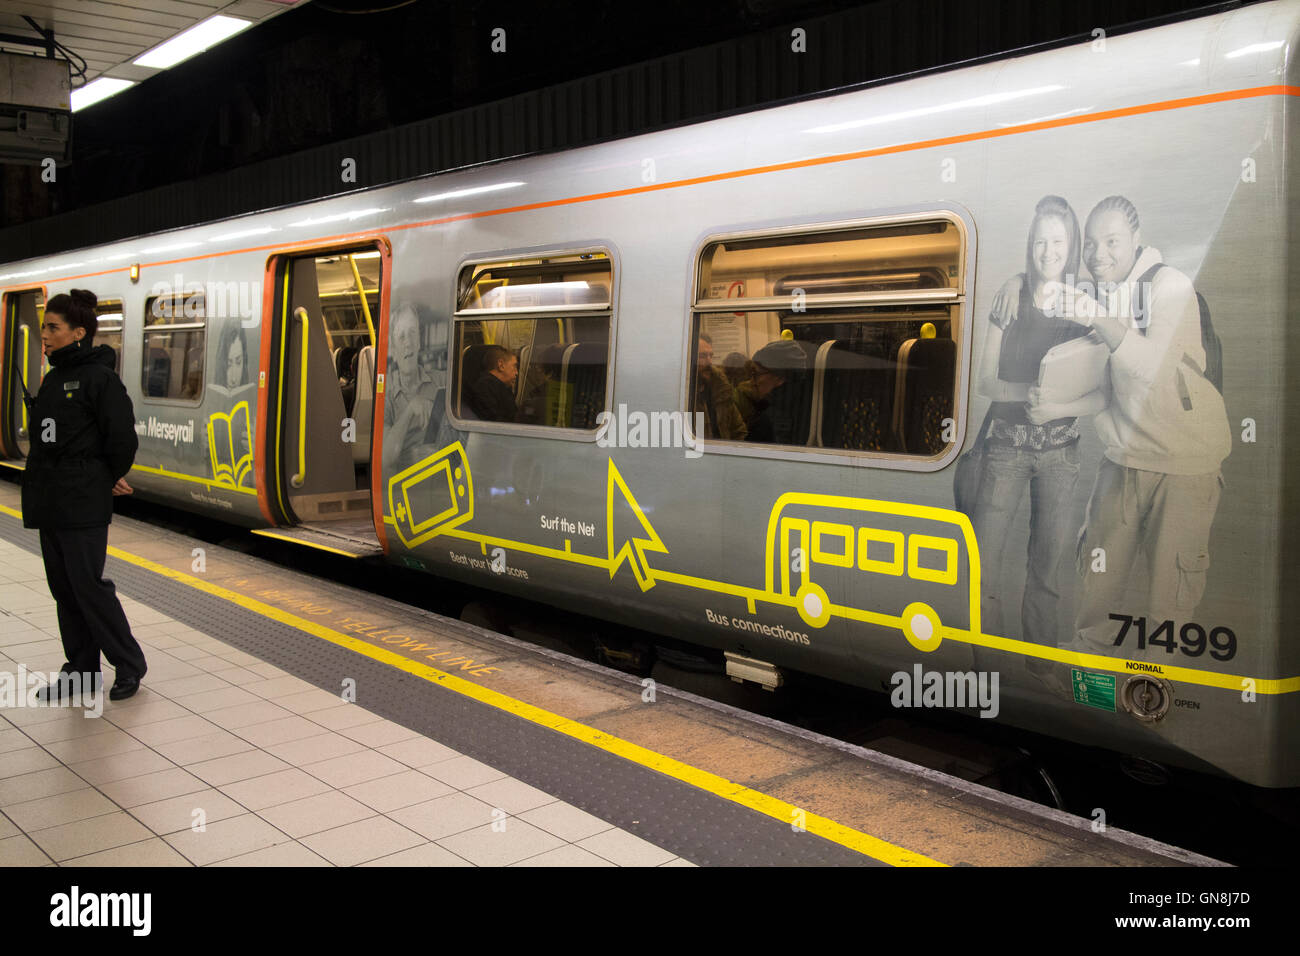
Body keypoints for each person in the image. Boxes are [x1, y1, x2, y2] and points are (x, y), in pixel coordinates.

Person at [1060, 196, 1230, 655]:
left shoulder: (1171, 285)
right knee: (1097, 580)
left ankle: (1157, 702)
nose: (1098, 255)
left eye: (1112, 241)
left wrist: (1095, 315)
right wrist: (1054, 402)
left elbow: (1149, 367)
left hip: (1184, 467)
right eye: (1091, 244)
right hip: (1124, 459)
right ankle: (1084, 681)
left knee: (1168, 601)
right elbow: (1106, 388)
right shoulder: (1102, 297)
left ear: (1137, 240)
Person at [971, 196, 1108, 665]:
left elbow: (1104, 392)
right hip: (1005, 450)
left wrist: (1056, 408)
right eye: (1039, 241)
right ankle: (990, 670)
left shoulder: (1086, 303)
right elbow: (984, 380)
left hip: (1062, 455)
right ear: (1028, 245)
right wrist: (1031, 396)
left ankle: (1040, 670)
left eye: (1057, 241)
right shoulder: (1010, 296)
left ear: (1070, 246)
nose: (1048, 250)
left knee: (1047, 572)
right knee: (984, 568)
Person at [22, 290, 146, 702]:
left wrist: (106, 475)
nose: (45, 334)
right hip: (52, 500)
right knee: (65, 590)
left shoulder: (100, 379)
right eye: (44, 326)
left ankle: (129, 665)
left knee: (88, 586)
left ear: (78, 332)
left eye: (53, 327)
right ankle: (80, 670)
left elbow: (122, 439)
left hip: (83, 503)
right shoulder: (54, 378)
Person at [382, 304, 439, 476]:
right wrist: (410, 410)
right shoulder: (385, 394)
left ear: (419, 342)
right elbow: (386, 458)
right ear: (392, 349)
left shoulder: (441, 380)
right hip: (405, 480)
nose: (408, 343)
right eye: (401, 336)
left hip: (441, 472)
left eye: (413, 333)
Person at [734, 338, 807, 443]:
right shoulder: (804, 408)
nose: (753, 381)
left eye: (756, 374)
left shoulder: (767, 422)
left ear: (779, 378)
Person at [693, 332, 746, 440]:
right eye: (702, 356)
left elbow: (738, 430)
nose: (709, 361)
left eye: (710, 355)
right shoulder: (684, 395)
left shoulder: (720, 388)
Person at [467, 345, 519, 422]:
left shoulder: (499, 387)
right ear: (501, 365)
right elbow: (497, 421)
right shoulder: (485, 387)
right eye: (514, 366)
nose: (516, 373)